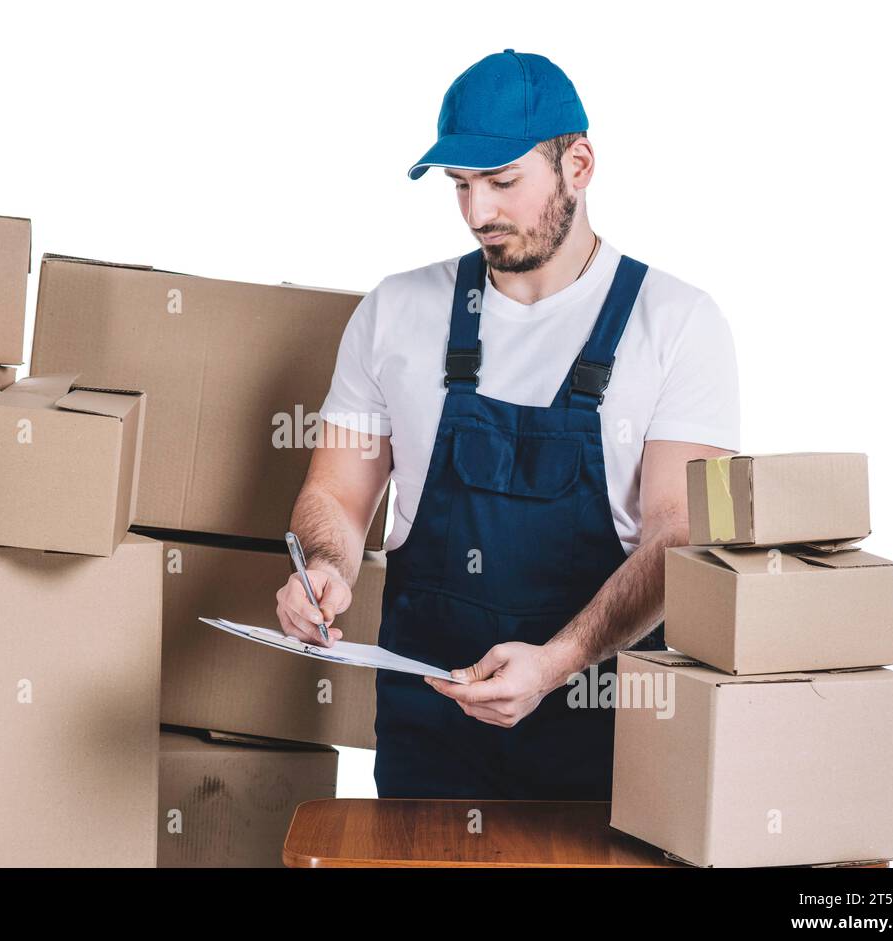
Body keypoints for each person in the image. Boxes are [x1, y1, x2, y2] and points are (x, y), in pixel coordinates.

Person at [274, 49, 740, 799]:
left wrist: (554, 664)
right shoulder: (396, 311)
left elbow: (680, 535)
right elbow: (335, 495)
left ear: (578, 164)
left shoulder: (678, 324)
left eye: (503, 181)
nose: (478, 212)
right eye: (460, 185)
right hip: (430, 734)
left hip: (605, 732)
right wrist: (326, 567)